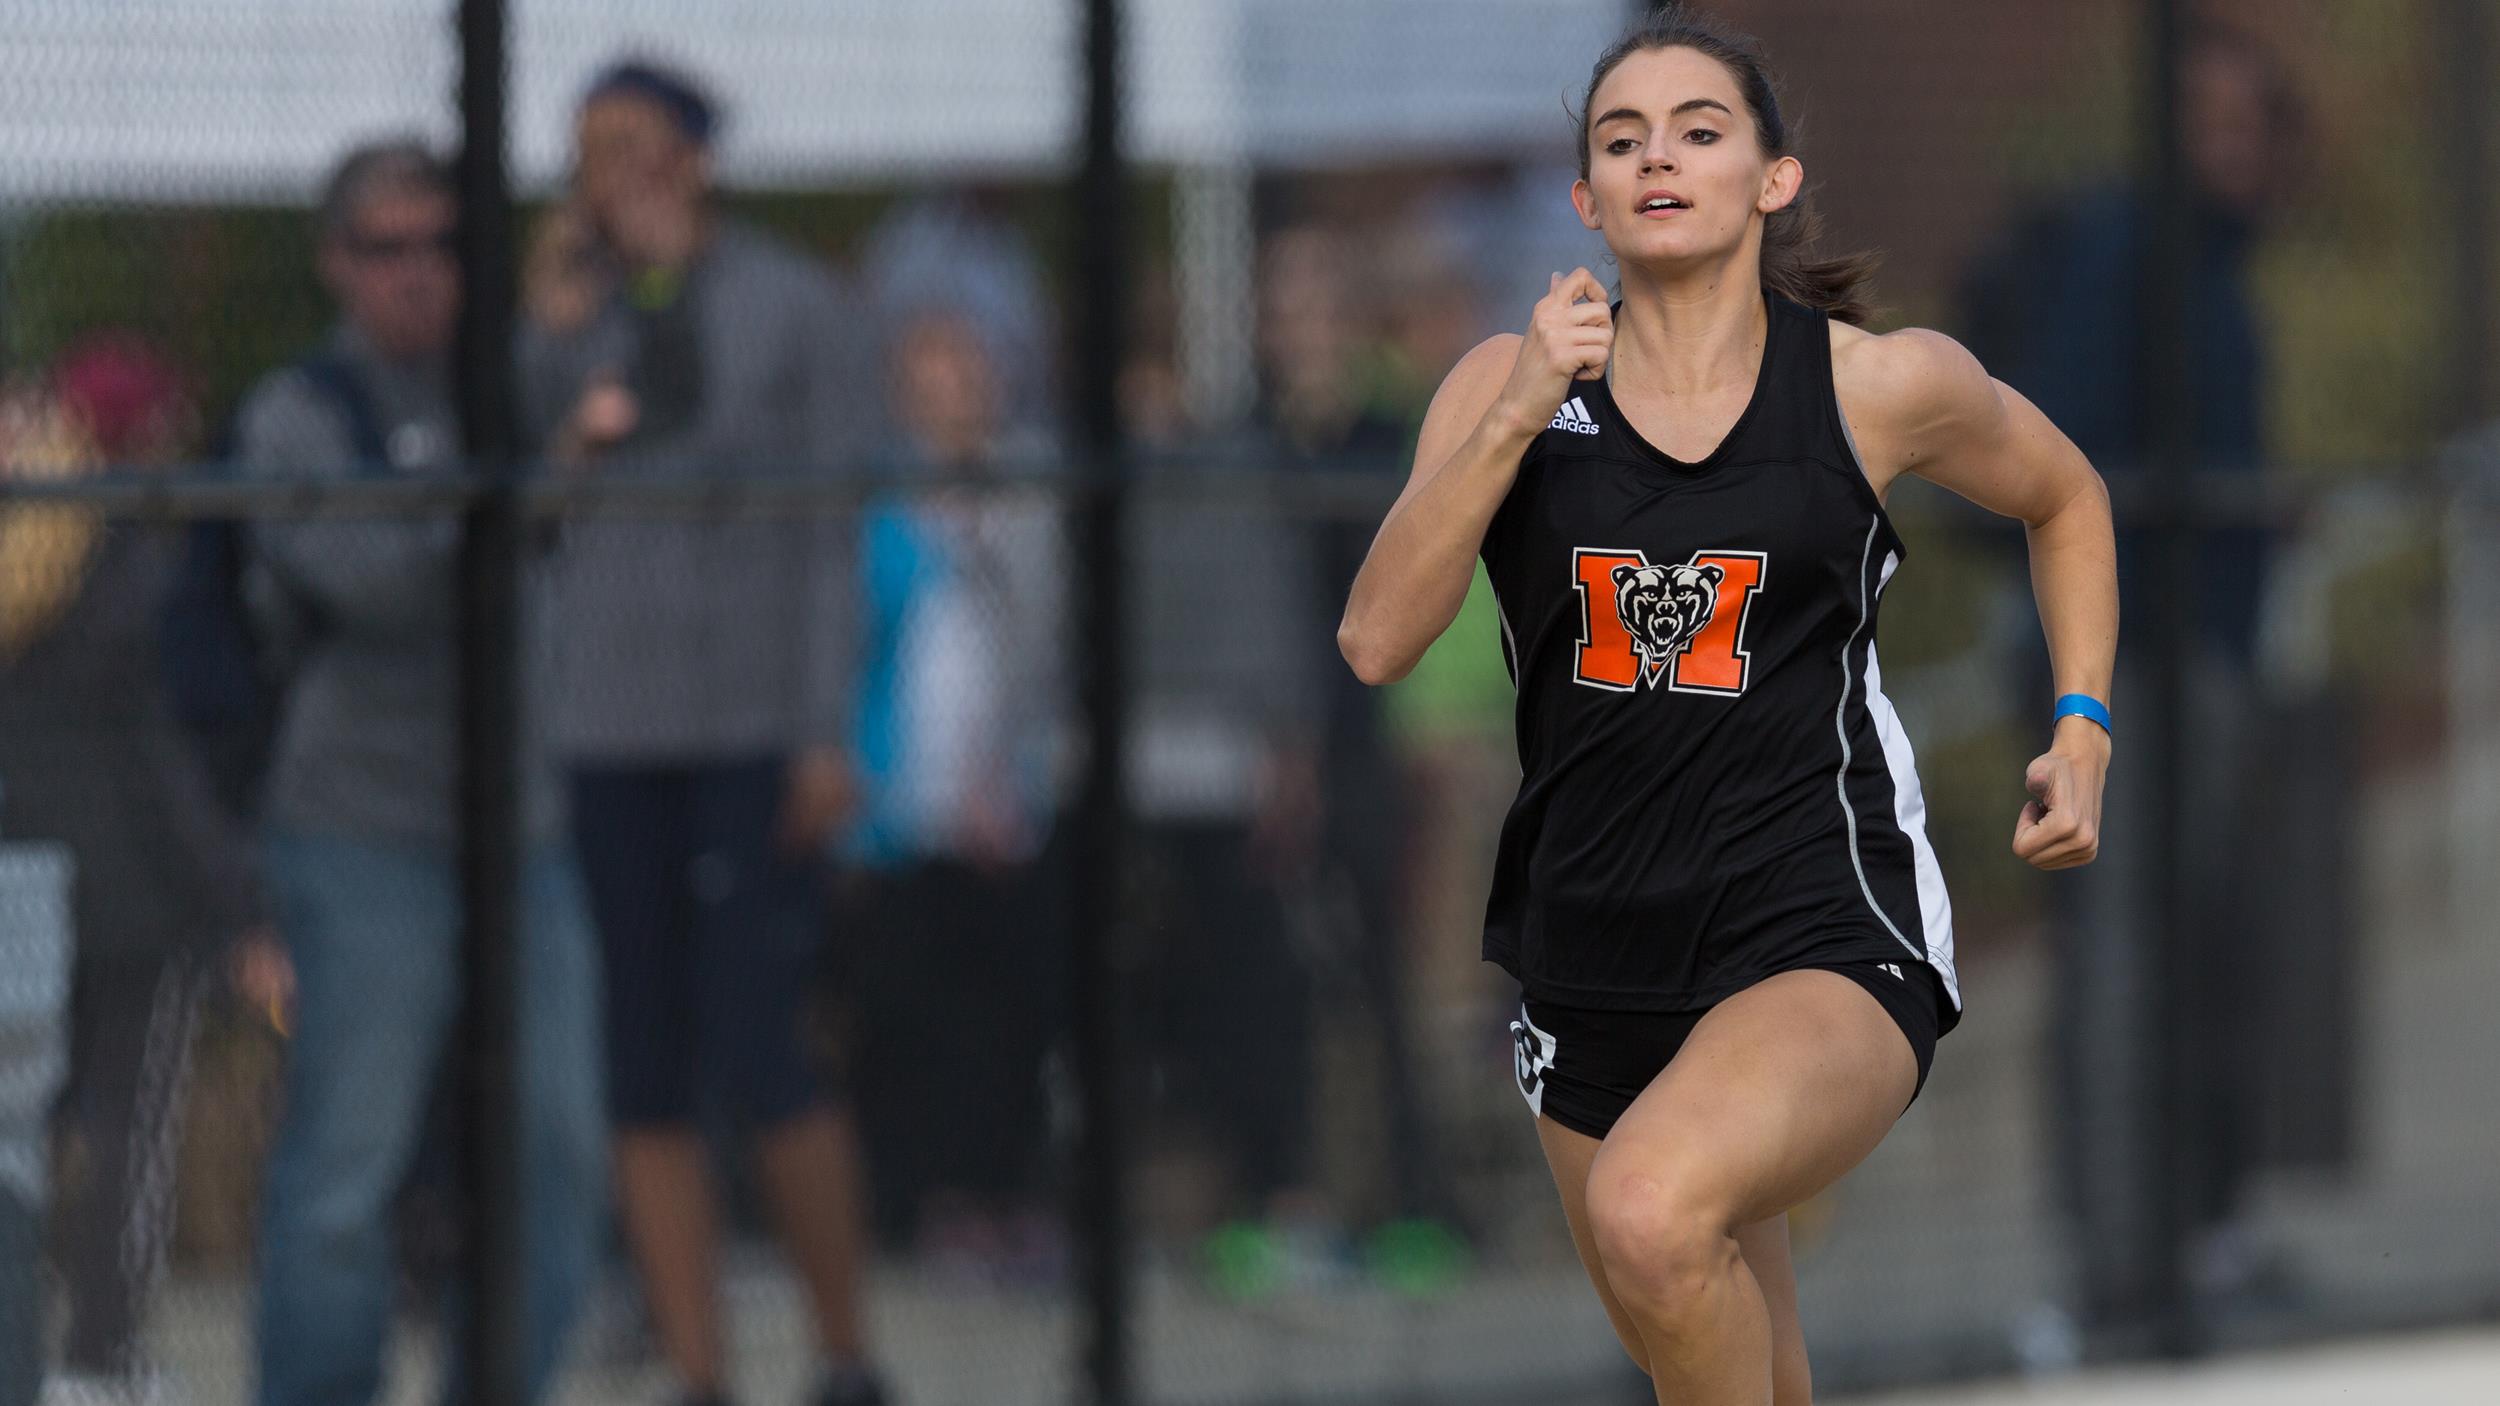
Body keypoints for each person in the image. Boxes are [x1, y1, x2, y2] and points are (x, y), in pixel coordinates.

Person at [1335, 13, 2117, 1403]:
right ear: (1583, 199)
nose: (1658, 158)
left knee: (1651, 1211)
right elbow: (1377, 637)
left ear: (1772, 179)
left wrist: (2081, 723)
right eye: (1621, 139)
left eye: (1700, 130)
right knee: (1726, 1340)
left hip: (1816, 922)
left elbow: (2069, 495)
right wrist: (1516, 407)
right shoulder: (1505, 390)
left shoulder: (1876, 387)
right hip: (1591, 950)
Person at [517, 59, 885, 1406]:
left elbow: (829, 525)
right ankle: (698, 1368)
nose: (613, 179)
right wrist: (553, 329)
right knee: (641, 1058)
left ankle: (845, 1349)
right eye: (590, 154)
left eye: (638, 148)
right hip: (610, 729)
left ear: (697, 160)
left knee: (764, 1038)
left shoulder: (787, 302)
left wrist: (819, 729)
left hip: (748, 724)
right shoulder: (566, 315)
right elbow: (521, 497)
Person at [234, 140, 607, 1405]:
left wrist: (572, 340)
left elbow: (639, 405)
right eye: (385, 248)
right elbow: (373, 586)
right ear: (338, 262)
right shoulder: (297, 413)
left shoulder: (514, 379)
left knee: (558, 1152)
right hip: (360, 832)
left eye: (444, 246)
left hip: (525, 830)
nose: (417, 275)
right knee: (349, 1162)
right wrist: (518, 489)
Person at [0, 336, 266, 1402]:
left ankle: (30, 1350)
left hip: (19, 884)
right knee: (130, 1135)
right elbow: (160, 758)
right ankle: (104, 1356)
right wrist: (236, 899)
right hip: (127, 895)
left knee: (25, 1134)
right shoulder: (118, 556)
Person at [838, 304, 1066, 1275]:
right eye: (932, 386)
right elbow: (856, 645)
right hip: (900, 805)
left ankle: (1003, 1190)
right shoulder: (875, 507)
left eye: (966, 380)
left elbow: (1050, 641)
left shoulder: (1030, 500)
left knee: (1015, 1012)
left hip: (1012, 798)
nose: (953, 403)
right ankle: (927, 1201)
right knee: (913, 1011)